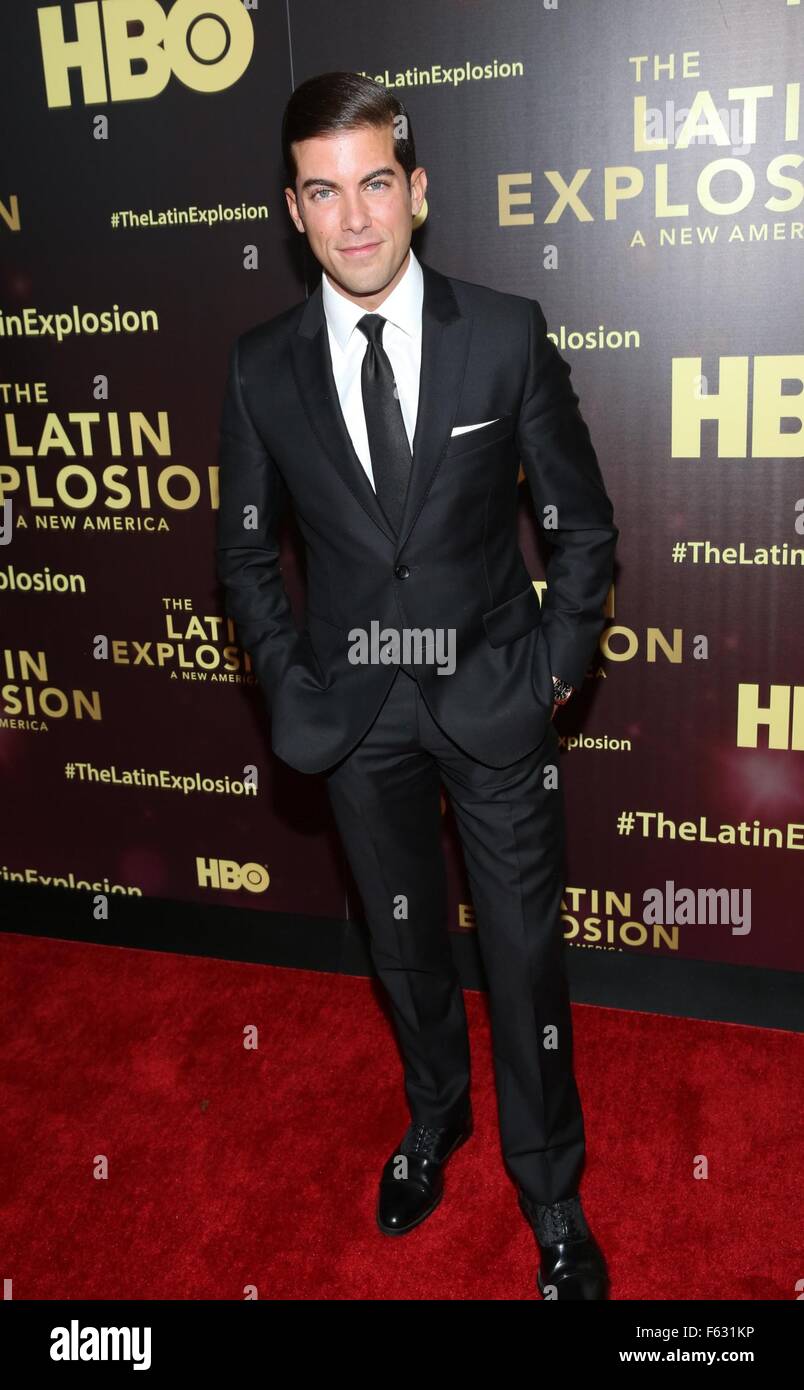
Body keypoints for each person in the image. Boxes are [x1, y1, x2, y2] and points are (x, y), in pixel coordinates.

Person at [216, 70, 618, 1300]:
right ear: (293, 210)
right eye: (324, 193)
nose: (355, 219)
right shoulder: (258, 366)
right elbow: (242, 547)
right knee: (403, 949)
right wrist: (292, 683)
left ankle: (551, 1194)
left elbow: (585, 528)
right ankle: (434, 1116)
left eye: (376, 184)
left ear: (419, 190)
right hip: (357, 714)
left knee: (522, 955)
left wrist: (552, 673)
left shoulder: (504, 331)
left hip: (492, 694)